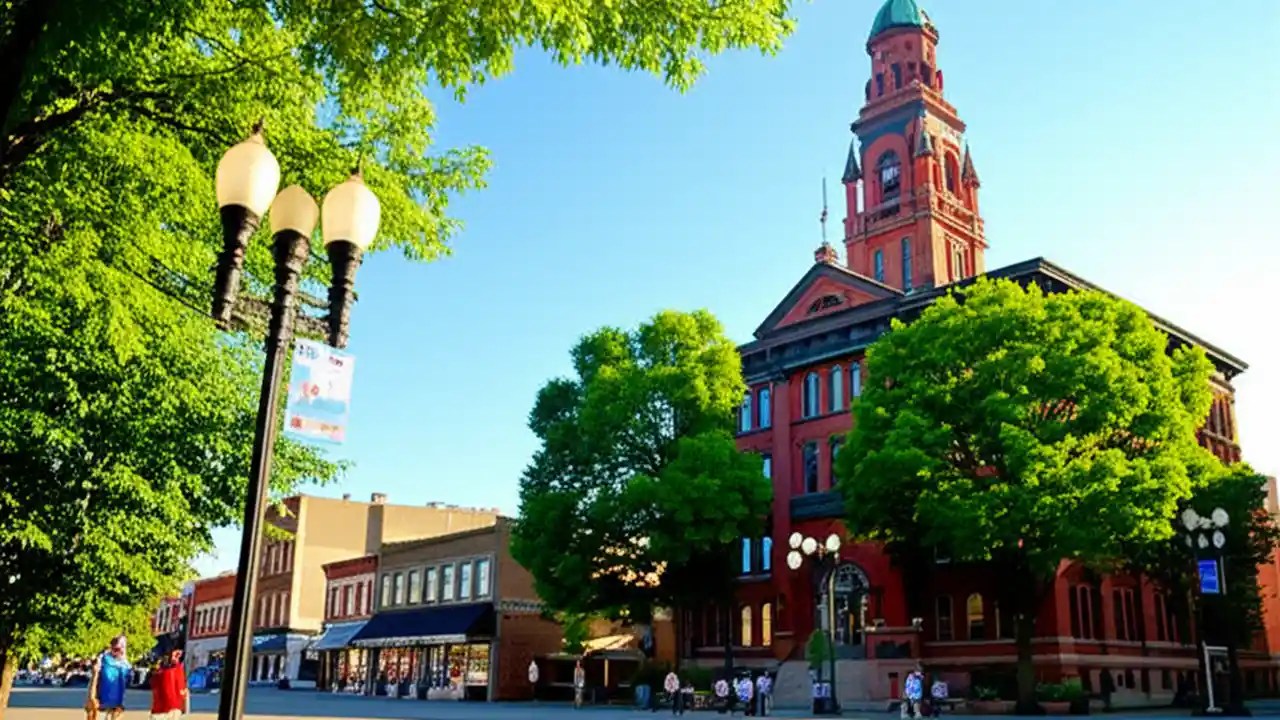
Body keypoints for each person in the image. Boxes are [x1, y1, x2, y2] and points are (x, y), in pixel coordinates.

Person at [86, 636, 130, 720]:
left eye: (123, 648)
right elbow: (95, 679)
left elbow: (123, 686)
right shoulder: (103, 660)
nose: (120, 652)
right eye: (117, 649)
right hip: (100, 704)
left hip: (115, 706)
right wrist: (91, 699)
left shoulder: (124, 664)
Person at [149, 649, 188, 720]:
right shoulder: (177, 671)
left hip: (160, 711)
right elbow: (183, 692)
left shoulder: (158, 675)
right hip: (174, 709)